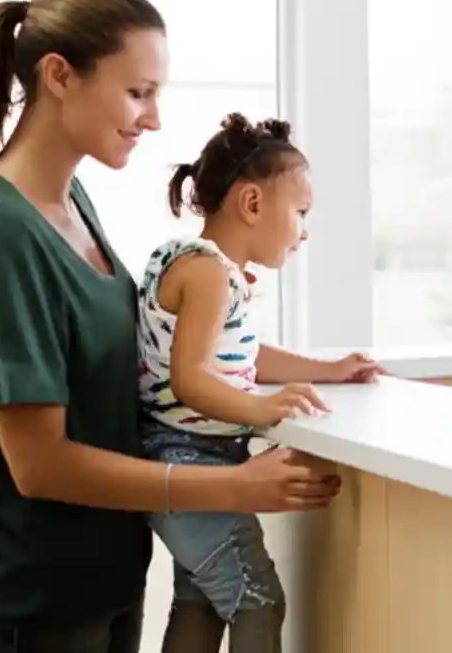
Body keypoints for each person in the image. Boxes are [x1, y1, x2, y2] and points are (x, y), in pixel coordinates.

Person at [0, 0, 340, 653]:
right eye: (138, 92)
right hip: (28, 604)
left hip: (105, 583)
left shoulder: (73, 205)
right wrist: (230, 487)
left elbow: (164, 351)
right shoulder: (0, 232)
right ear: (59, 76)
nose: (153, 119)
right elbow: (40, 465)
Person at [140, 112, 383, 651]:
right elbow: (190, 378)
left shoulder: (196, 263)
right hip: (188, 457)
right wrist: (264, 410)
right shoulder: (209, 273)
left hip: (187, 456)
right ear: (252, 203)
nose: (305, 231)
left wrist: (328, 370)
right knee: (258, 599)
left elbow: (240, 355)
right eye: (301, 212)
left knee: (200, 600)